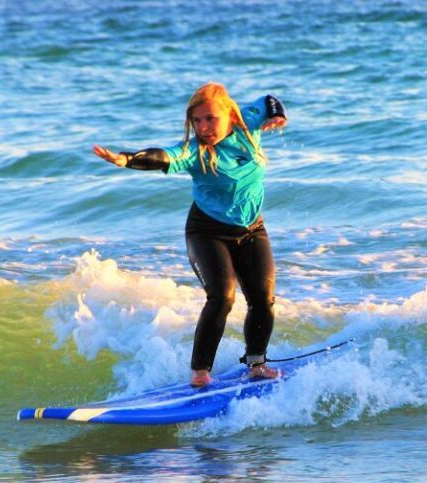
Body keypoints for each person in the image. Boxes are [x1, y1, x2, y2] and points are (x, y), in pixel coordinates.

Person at [93, 82, 287, 387]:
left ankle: (256, 364)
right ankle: (200, 372)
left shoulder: (248, 121)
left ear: (230, 116)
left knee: (263, 300)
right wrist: (128, 160)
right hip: (207, 231)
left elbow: (269, 99)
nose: (204, 127)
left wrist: (278, 115)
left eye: (210, 118)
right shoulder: (195, 151)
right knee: (222, 297)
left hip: (252, 229)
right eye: (197, 121)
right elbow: (164, 157)